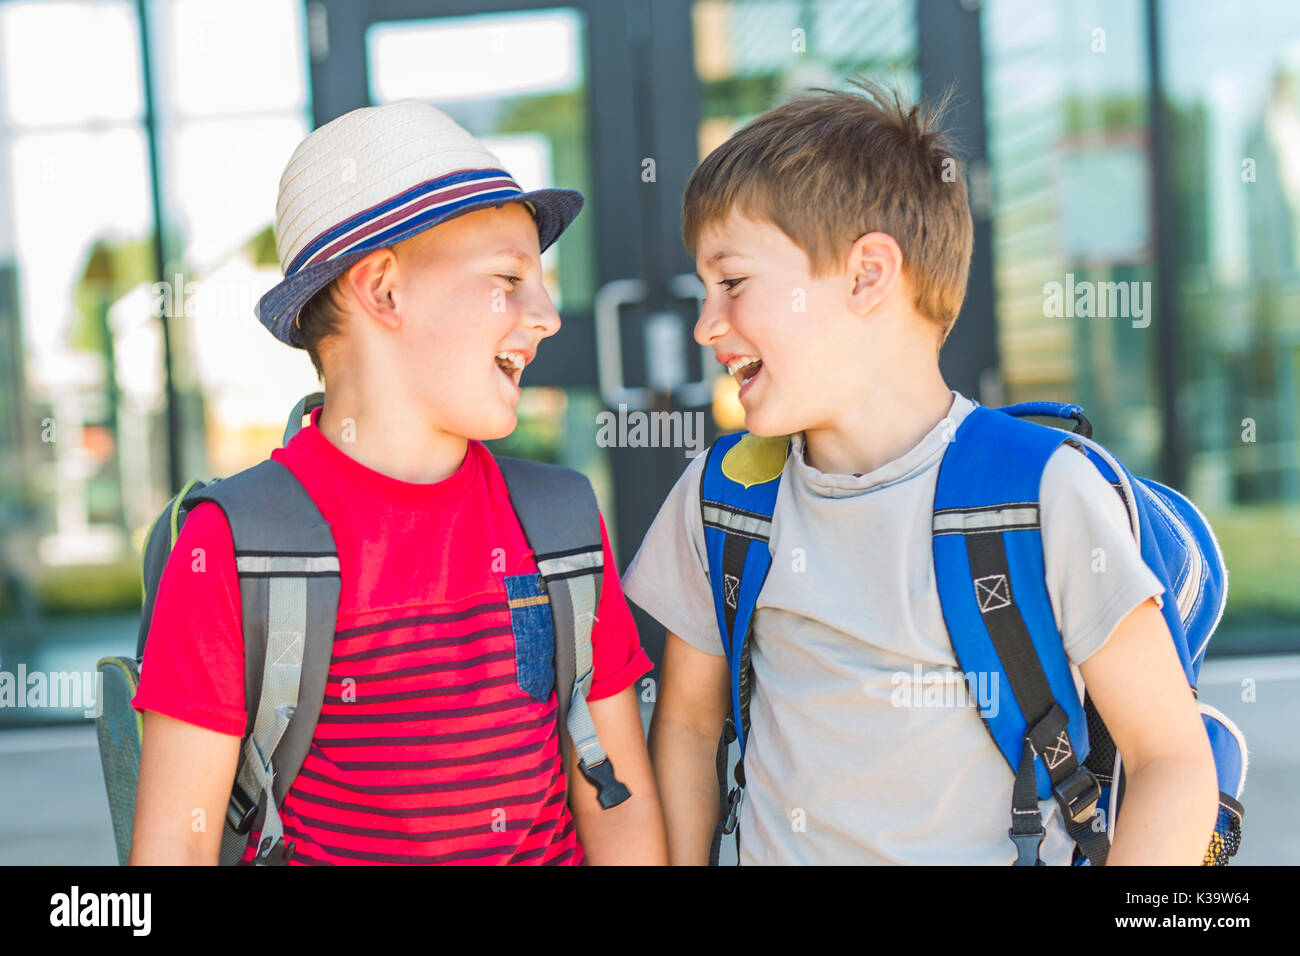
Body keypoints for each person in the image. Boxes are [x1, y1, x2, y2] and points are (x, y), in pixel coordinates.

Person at [623, 78, 1218, 865]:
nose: (705, 324)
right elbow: (693, 726)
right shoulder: (724, 498)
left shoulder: (1038, 495)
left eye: (732, 283)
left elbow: (1170, 761)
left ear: (869, 275)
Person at [129, 101, 666, 865]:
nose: (545, 315)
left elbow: (619, 809)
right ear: (383, 291)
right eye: (509, 279)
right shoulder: (237, 546)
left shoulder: (562, 524)